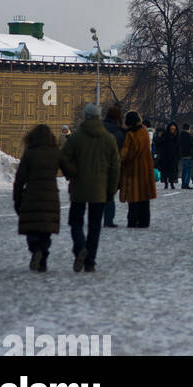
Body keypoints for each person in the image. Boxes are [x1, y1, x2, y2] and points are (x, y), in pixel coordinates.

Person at [59, 103, 120, 272]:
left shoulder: (76, 138)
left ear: (85, 117)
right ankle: (90, 261)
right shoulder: (108, 139)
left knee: (76, 222)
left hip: (79, 187)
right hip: (100, 190)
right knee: (94, 226)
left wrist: (71, 174)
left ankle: (80, 248)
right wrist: (111, 189)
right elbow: (115, 166)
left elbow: (63, 158)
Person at [13, 124, 62, 271]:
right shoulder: (55, 153)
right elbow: (70, 169)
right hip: (51, 197)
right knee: (46, 231)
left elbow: (19, 179)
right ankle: (43, 258)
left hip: (31, 196)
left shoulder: (29, 153)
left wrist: (17, 199)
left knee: (32, 229)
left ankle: (35, 249)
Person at [120, 111, 156, 228]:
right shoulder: (144, 131)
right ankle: (144, 221)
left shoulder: (131, 134)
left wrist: (120, 159)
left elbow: (127, 153)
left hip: (134, 170)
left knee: (133, 198)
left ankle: (133, 221)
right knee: (144, 198)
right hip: (145, 169)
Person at [101, 105, 125, 227]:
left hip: (98, 164)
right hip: (112, 166)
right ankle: (108, 220)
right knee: (110, 194)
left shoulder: (100, 128)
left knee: (98, 193)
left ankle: (96, 217)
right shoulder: (119, 132)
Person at [156, 121, 180, 189]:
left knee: (172, 171)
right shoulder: (165, 135)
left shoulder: (177, 136)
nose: (172, 129)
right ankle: (166, 183)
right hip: (165, 156)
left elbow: (178, 146)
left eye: (173, 128)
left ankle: (172, 183)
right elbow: (160, 144)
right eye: (171, 128)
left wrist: (178, 155)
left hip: (173, 156)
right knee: (165, 170)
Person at [179, 123, 193, 189]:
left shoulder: (179, 135)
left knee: (184, 170)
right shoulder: (188, 136)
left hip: (182, 155)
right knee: (188, 170)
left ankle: (183, 184)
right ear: (188, 129)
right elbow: (191, 145)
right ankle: (186, 184)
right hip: (188, 154)